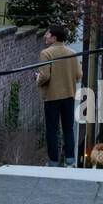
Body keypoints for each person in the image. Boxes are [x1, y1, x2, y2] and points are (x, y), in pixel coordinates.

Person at [36, 25, 82, 167]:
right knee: (68, 129)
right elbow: (79, 75)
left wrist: (37, 79)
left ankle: (53, 161)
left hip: (52, 96)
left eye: (47, 34)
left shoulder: (46, 53)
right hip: (69, 95)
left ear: (54, 37)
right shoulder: (72, 53)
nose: (45, 36)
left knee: (52, 130)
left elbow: (45, 76)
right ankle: (70, 160)